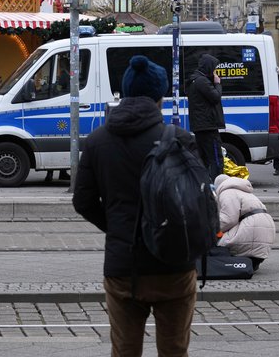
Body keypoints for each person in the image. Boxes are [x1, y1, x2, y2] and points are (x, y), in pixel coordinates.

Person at [73, 55, 198, 357]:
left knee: (125, 352)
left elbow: (82, 201)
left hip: (123, 266)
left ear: (125, 93)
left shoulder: (97, 141)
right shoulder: (179, 139)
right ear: (161, 98)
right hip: (173, 264)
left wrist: (117, 226)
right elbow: (196, 202)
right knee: (175, 351)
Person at [214, 174, 275, 271]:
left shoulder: (227, 192)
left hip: (252, 226)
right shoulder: (244, 191)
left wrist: (212, 229)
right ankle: (252, 261)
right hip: (266, 226)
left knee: (218, 242)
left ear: (218, 186)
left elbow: (228, 219)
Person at [187, 53, 225, 177]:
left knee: (205, 160)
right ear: (208, 67)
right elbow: (215, 97)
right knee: (216, 159)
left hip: (200, 126)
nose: (215, 72)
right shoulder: (202, 81)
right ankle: (216, 187)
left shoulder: (194, 79)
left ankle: (206, 187)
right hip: (208, 126)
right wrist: (217, 83)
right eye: (214, 68)